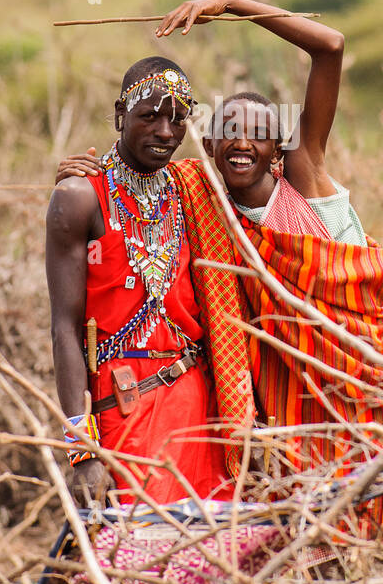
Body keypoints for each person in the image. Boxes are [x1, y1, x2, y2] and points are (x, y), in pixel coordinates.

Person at [56, 0, 383, 552]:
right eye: (229, 131)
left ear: (279, 147)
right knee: (317, 527)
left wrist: (233, 3)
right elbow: (131, 179)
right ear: (210, 145)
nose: (243, 140)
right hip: (296, 389)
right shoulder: (201, 195)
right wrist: (86, 179)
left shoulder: (304, 174)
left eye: (259, 132)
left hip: (371, 367)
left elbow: (331, 46)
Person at [45, 55, 250, 508]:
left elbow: (277, 168)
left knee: (211, 550)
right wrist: (81, 451)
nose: (165, 132)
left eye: (178, 119)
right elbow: (64, 328)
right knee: (138, 552)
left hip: (202, 406)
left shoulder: (194, 187)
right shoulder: (79, 197)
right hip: (122, 405)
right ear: (120, 114)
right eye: (149, 116)